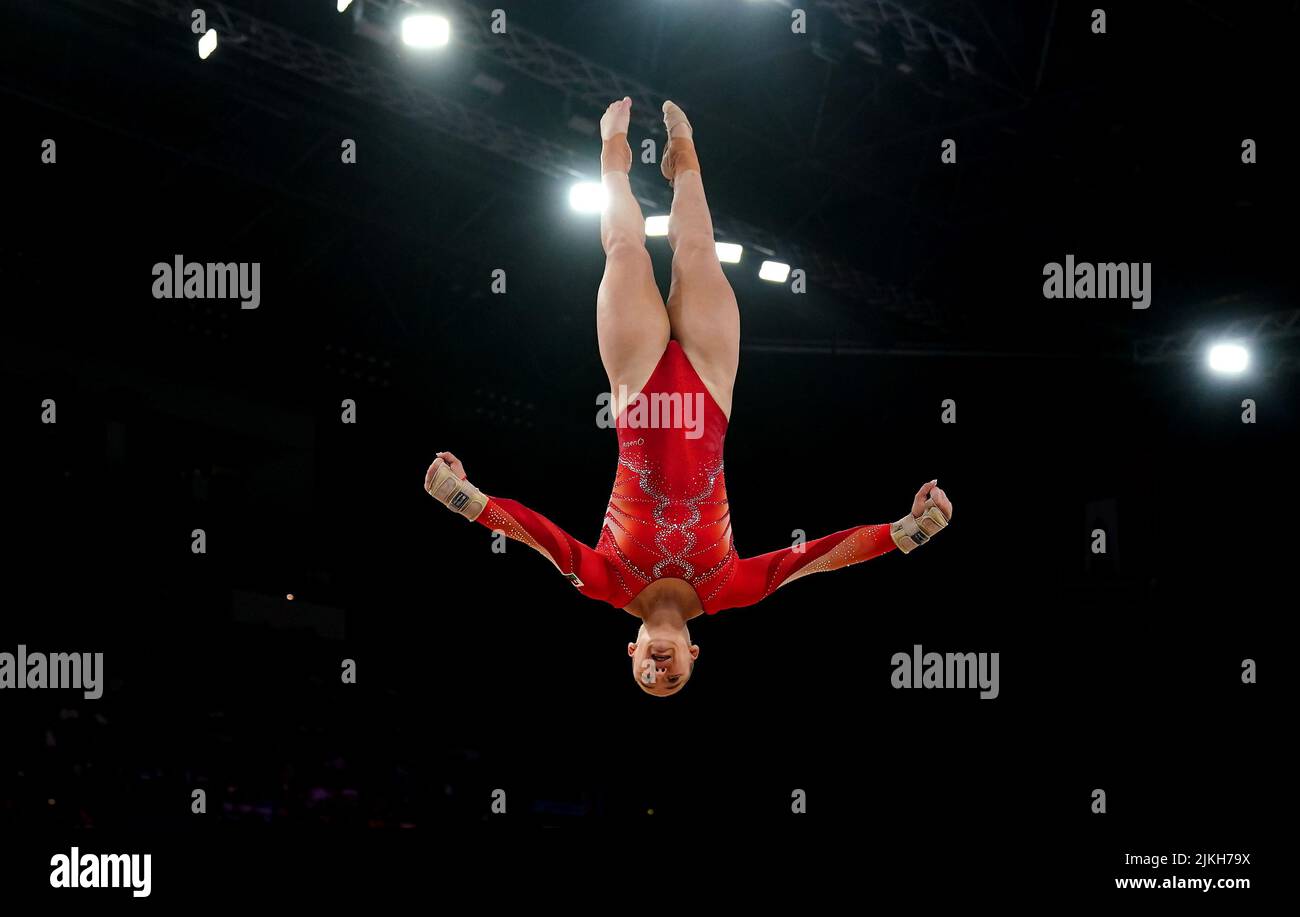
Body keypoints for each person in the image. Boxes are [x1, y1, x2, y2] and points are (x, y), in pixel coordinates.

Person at [425, 98, 953, 696]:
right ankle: (685, 159)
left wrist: (468, 500)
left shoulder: (608, 584)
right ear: (695, 655)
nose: (658, 669)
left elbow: (539, 536)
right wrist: (907, 531)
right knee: (698, 250)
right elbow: (817, 559)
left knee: (625, 251)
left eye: (646, 675)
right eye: (671, 677)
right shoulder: (730, 589)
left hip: (637, 389)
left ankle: (614, 158)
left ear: (629, 651)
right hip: (709, 385)